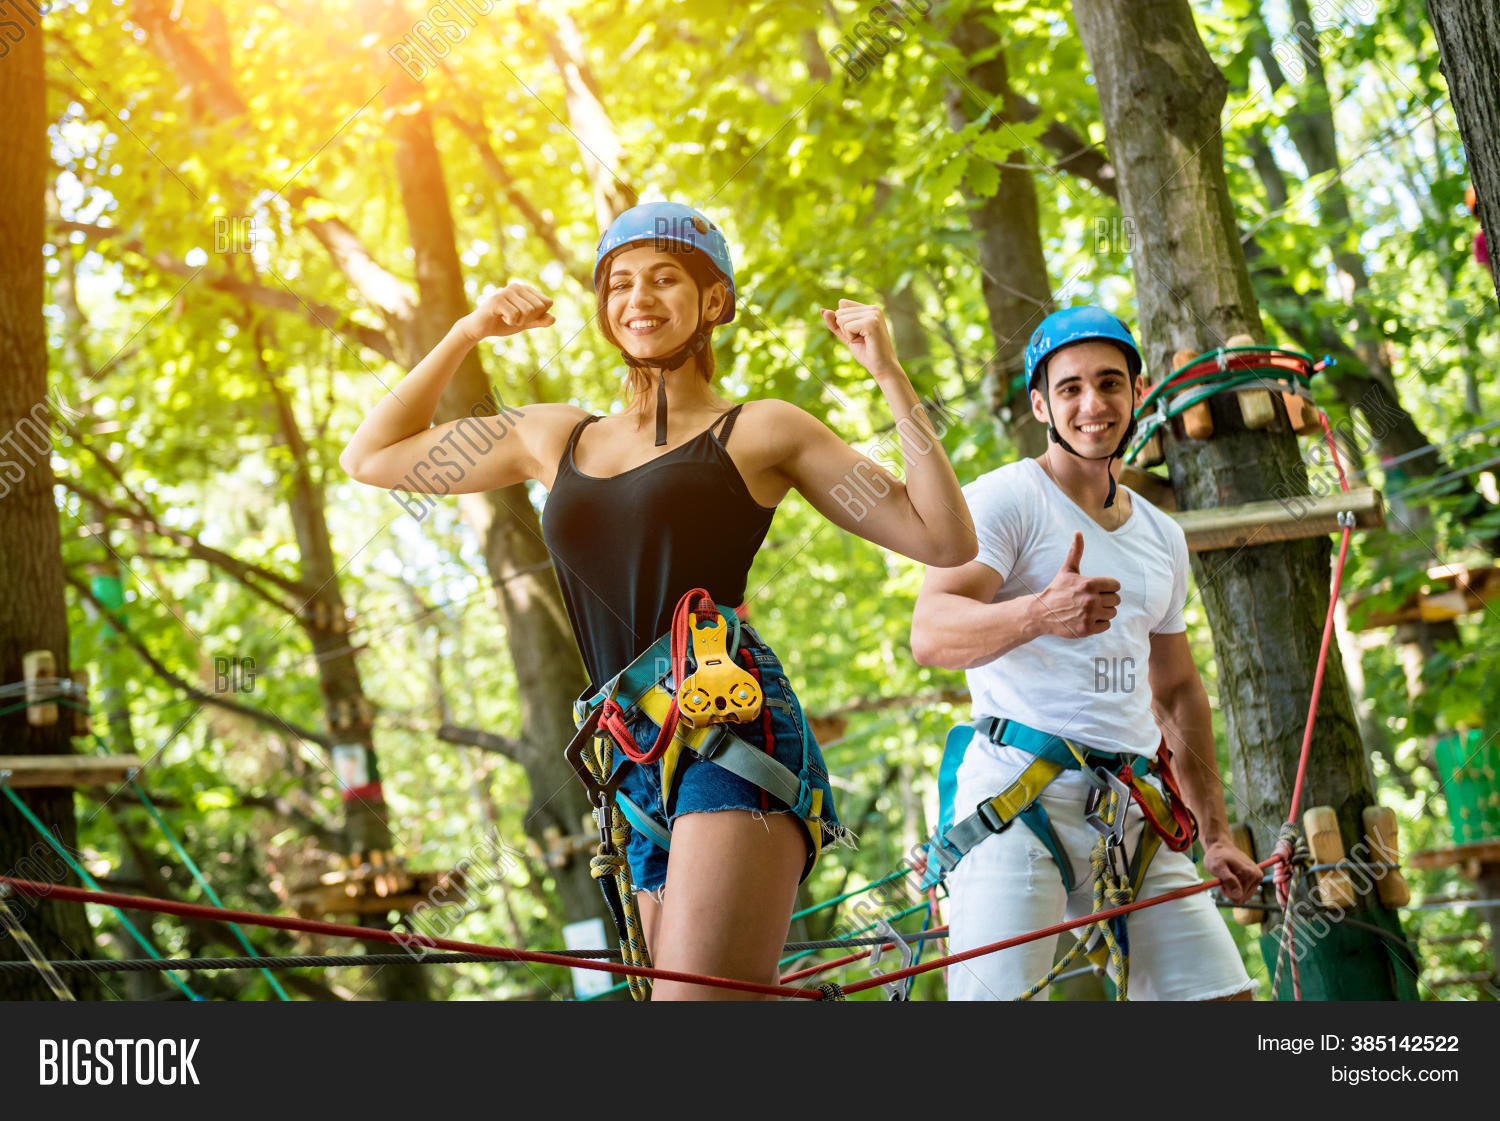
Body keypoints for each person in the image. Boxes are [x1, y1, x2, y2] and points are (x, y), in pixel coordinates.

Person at [340, 200, 977, 999]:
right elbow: (374, 456)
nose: (638, 298)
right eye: (619, 284)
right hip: (627, 753)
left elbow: (943, 540)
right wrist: (467, 332)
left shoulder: (763, 431)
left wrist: (890, 375)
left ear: (713, 301)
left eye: (665, 278)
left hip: (730, 721)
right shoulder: (557, 436)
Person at [910, 305, 1262, 1001]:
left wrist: (1215, 833)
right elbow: (932, 632)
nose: (1092, 403)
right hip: (1016, 801)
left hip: (1132, 809)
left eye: (1109, 383)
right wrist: (1039, 612)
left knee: (1224, 1003)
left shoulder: (1162, 535)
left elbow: (1179, 689)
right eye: (1069, 388)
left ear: (1138, 392)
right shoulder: (1007, 499)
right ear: (1040, 402)